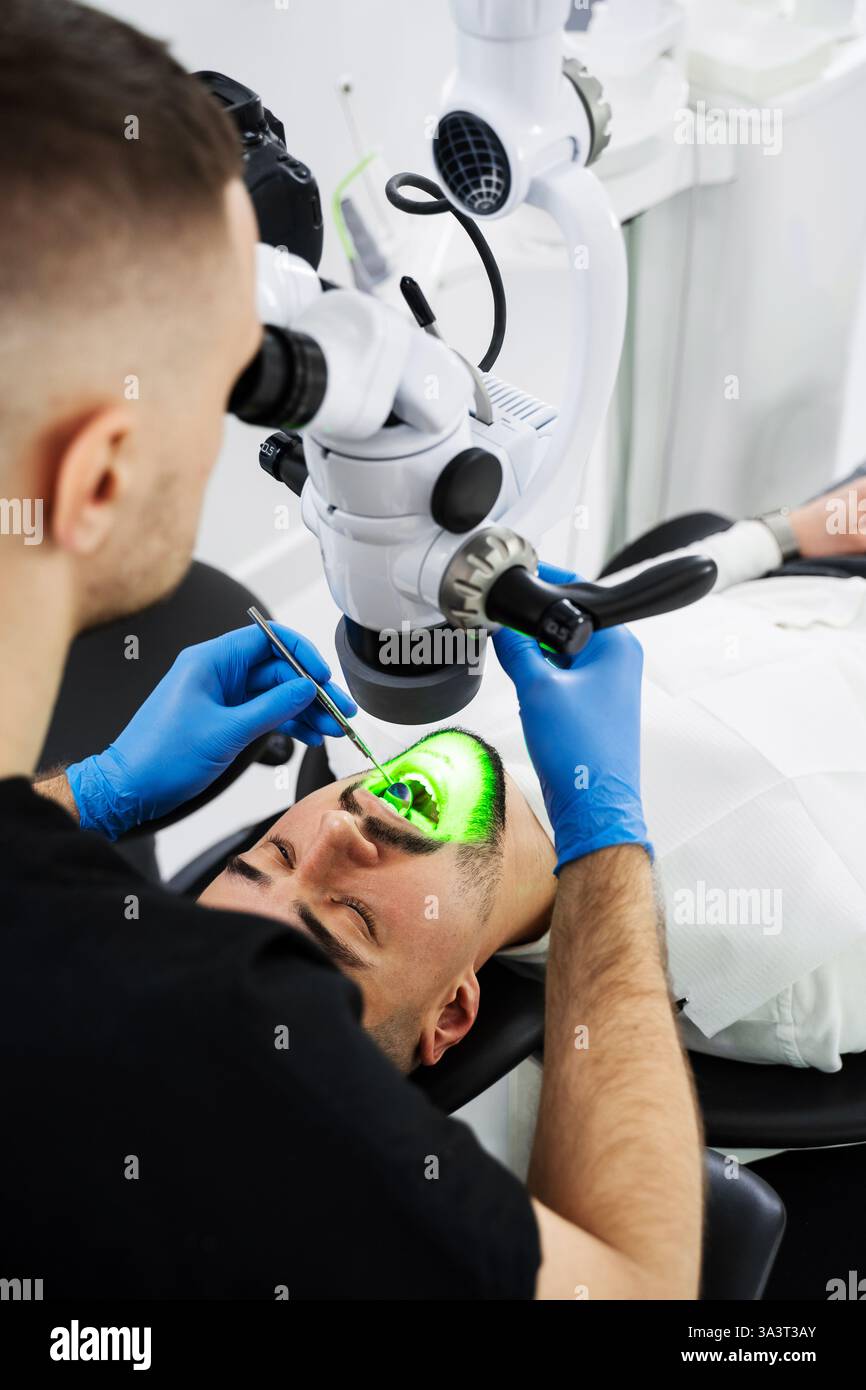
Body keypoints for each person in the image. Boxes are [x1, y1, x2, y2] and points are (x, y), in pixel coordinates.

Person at [0, 0, 702, 1299]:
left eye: (264, 856)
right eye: (226, 383)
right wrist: (603, 835)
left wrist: (80, 801)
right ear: (98, 472)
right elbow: (649, 1296)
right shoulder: (215, 1063)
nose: (342, 830)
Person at [200, 476, 866, 1075]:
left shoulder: (397, 702)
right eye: (353, 917)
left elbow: (610, 604)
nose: (338, 830)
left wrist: (790, 532)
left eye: (276, 853)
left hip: (814, 572)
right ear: (451, 1011)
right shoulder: (772, 984)